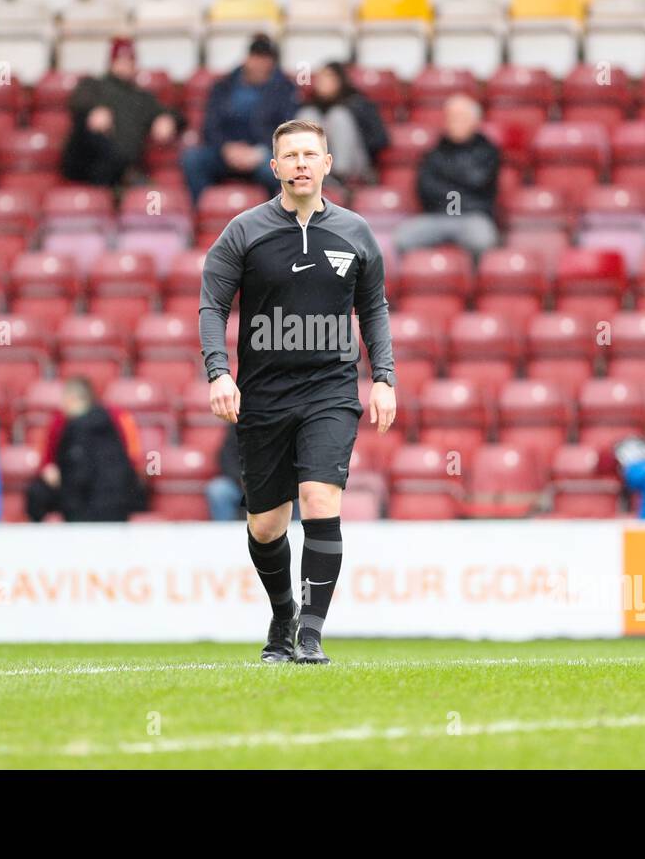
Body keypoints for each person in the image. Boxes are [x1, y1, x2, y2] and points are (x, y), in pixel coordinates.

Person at [199, 118, 397, 665]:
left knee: (319, 501)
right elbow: (211, 306)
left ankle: (310, 633)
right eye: (291, 156)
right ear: (275, 167)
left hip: (330, 388)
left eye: (311, 154)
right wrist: (218, 371)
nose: (302, 163)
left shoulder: (356, 232)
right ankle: (282, 614)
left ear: (328, 164)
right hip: (263, 393)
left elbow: (374, 308)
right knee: (266, 524)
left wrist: (384, 377)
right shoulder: (243, 231)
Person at [181, 33, 298, 203]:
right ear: (247, 58)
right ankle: (202, 213)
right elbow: (210, 126)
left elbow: (287, 129)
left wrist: (258, 151)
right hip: (226, 151)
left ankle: (273, 219)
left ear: (272, 63)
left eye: (264, 59)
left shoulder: (285, 90)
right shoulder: (224, 85)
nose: (259, 64)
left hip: (262, 153)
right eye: (255, 57)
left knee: (280, 170)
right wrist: (226, 148)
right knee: (192, 159)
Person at [60, 37, 182, 187]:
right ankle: (123, 175)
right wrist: (93, 109)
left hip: (120, 164)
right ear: (111, 62)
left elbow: (174, 114)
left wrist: (167, 118)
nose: (124, 65)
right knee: (90, 132)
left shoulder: (143, 97)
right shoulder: (93, 85)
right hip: (88, 162)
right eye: (120, 60)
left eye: (129, 60)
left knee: (122, 159)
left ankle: (123, 177)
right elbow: (78, 102)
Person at [25, 377, 148, 522]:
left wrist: (58, 476)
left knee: (36, 492)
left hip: (84, 508)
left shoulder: (72, 427)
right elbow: (137, 460)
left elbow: (77, 475)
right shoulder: (116, 419)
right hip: (120, 505)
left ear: (72, 399)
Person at [397, 93, 501, 258]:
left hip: (473, 215)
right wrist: (460, 184)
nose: (454, 122)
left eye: (461, 117)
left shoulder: (487, 150)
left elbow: (478, 180)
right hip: (437, 214)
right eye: (451, 117)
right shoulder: (435, 150)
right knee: (402, 237)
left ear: (475, 121)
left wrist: (446, 176)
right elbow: (425, 187)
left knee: (483, 240)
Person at [297, 62, 388, 183]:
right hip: (322, 162)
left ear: (340, 80)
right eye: (320, 78)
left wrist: (353, 134)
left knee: (338, 116)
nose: (322, 82)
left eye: (328, 77)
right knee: (307, 114)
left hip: (355, 162)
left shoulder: (357, 103)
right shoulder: (311, 104)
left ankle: (339, 175)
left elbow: (380, 139)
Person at [205, 424, 243, 521]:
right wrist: (241, 480)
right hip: (239, 484)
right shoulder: (239, 423)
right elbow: (226, 457)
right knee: (218, 490)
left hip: (269, 485)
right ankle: (227, 533)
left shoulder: (280, 423)